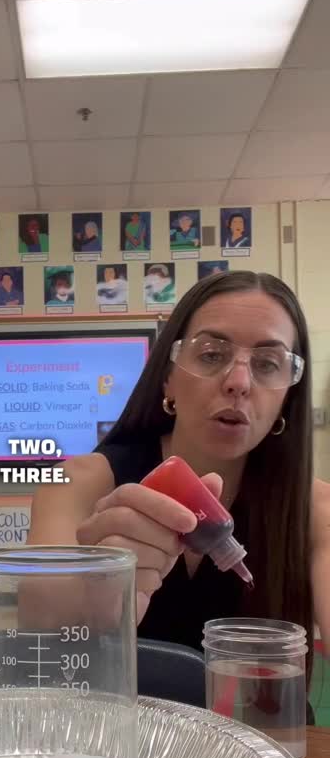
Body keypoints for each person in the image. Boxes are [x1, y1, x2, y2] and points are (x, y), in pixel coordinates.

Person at [27, 271, 330, 684]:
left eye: (267, 364)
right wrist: (94, 604)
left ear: (287, 397)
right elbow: (37, 632)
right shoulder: (78, 482)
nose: (239, 383)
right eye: (211, 354)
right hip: (116, 739)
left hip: (264, 740)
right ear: (167, 376)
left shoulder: (315, 510)